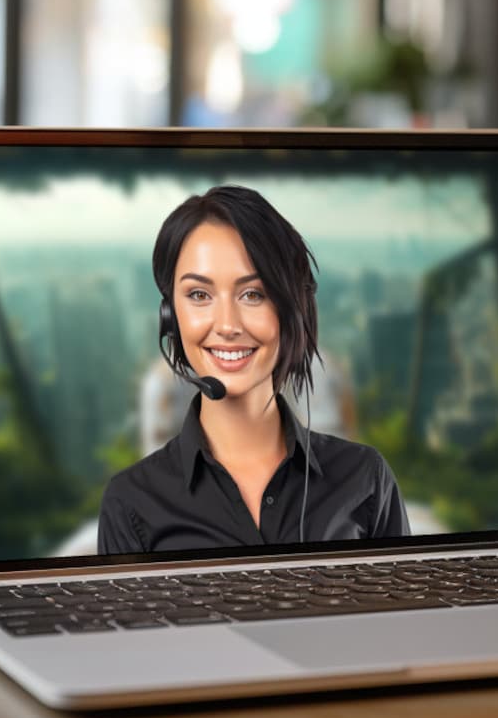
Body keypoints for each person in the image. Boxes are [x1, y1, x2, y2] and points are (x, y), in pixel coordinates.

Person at [98, 184, 409, 555]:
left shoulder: (365, 477)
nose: (227, 325)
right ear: (170, 316)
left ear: (292, 310)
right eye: (199, 295)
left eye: (253, 294)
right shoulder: (131, 501)